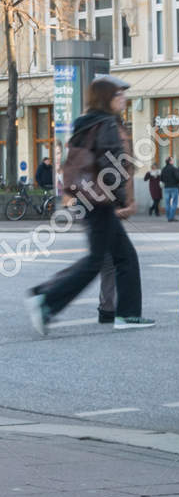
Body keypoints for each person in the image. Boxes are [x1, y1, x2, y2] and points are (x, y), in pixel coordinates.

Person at [25, 76, 156, 335]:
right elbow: (112, 165)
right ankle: (47, 301)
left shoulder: (86, 123)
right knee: (98, 260)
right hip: (101, 201)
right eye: (119, 94)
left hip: (90, 198)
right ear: (107, 97)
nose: (124, 98)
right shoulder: (106, 124)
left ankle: (127, 314)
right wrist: (121, 198)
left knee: (123, 257)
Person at [160, 156, 179, 221]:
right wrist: (178, 183)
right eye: (172, 160)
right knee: (174, 203)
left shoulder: (163, 169)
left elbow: (161, 179)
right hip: (174, 187)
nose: (173, 161)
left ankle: (168, 217)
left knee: (167, 203)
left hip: (166, 187)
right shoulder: (174, 169)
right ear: (170, 161)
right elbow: (178, 178)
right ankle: (171, 217)